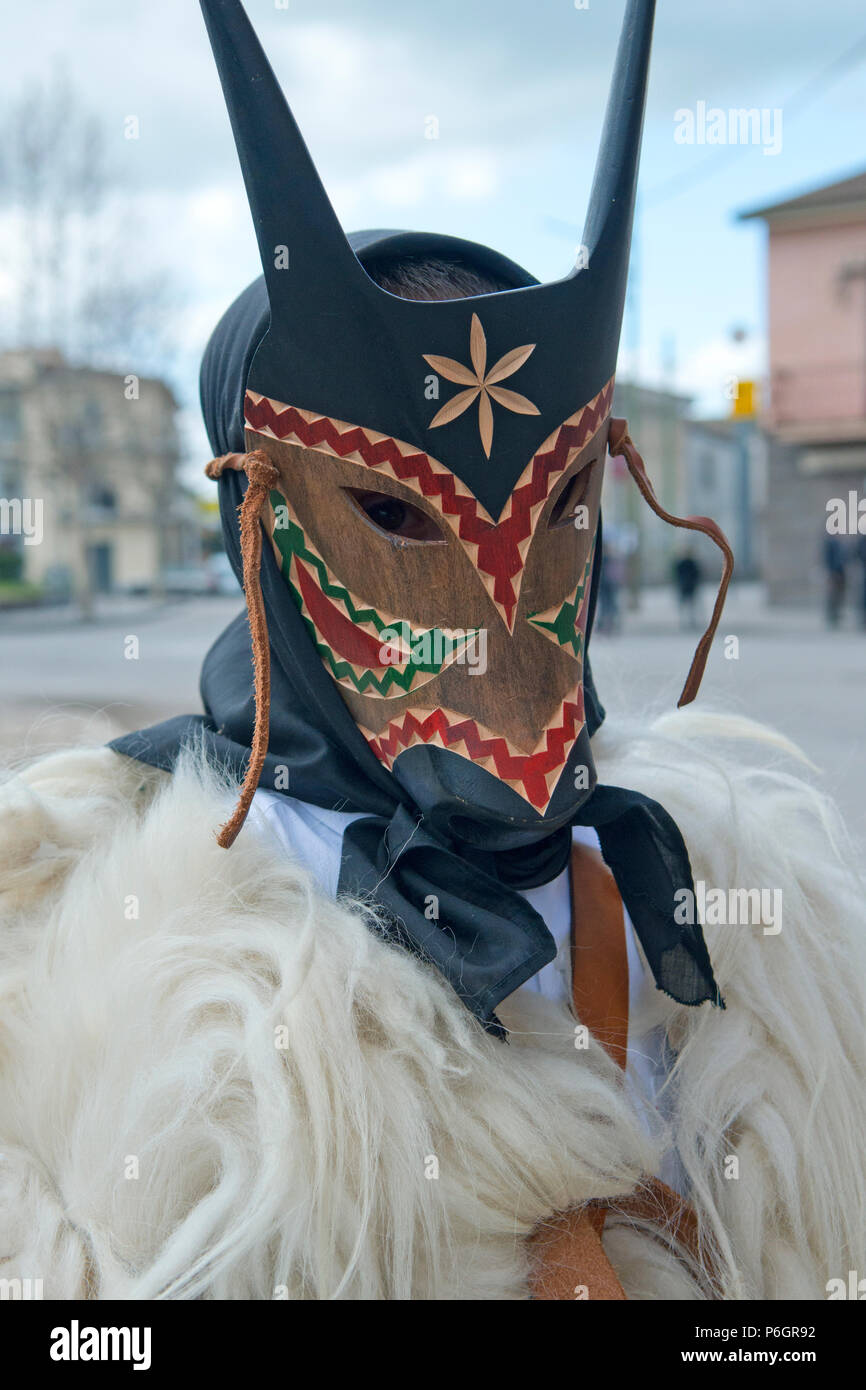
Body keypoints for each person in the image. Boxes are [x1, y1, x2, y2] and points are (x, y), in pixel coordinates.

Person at [0, 0, 863, 1302]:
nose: (506, 647)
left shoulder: (709, 884)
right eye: (395, 516)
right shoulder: (113, 948)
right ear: (262, 513)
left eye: (564, 500)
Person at [673, 548, 702, 630]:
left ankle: (687, 621)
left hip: (687, 586)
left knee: (688, 605)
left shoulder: (685, 563)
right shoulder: (689, 563)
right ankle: (686, 621)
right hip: (687, 586)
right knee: (688, 605)